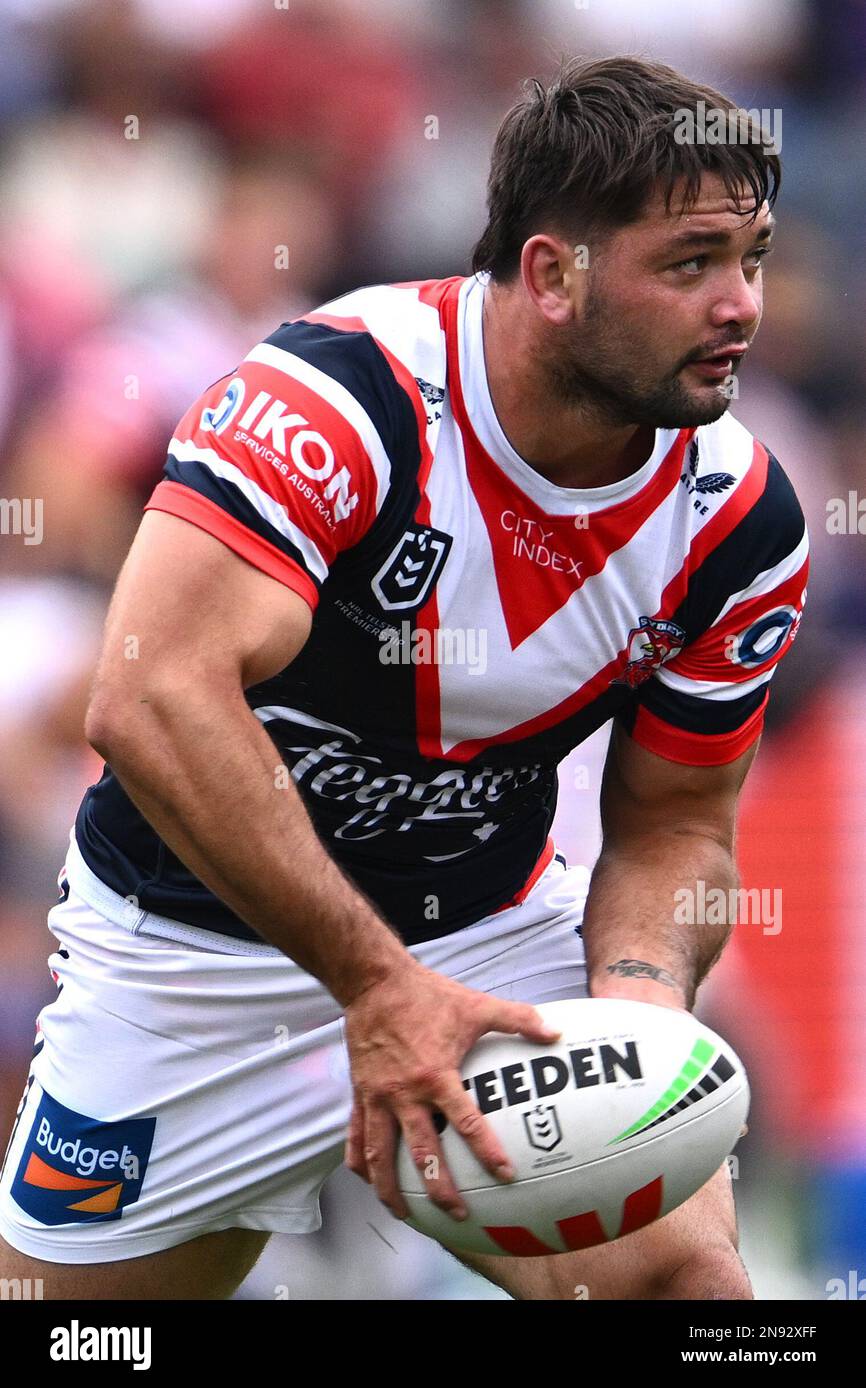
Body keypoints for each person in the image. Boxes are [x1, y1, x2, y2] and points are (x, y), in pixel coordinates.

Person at [0, 56, 808, 1300]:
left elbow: (677, 823)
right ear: (552, 275)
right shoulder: (338, 395)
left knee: (687, 1290)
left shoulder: (740, 516)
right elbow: (148, 701)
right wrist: (376, 989)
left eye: (750, 257)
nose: (741, 305)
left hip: (485, 941)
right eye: (690, 264)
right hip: (193, 961)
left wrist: (637, 1009)